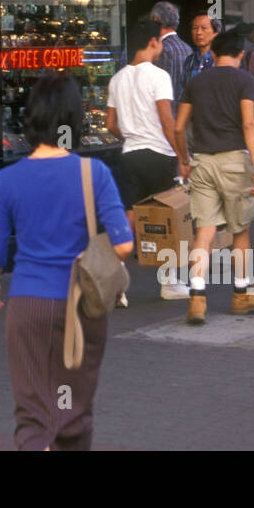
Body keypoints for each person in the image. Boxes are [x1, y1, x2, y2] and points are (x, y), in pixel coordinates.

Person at [0, 71, 134, 450]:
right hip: (81, 307)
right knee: (74, 411)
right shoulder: (93, 172)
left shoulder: (8, 179)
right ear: (74, 118)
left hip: (28, 305)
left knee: (32, 413)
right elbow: (124, 244)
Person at [173, 29, 254, 325]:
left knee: (204, 231)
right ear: (241, 54)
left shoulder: (197, 81)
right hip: (234, 161)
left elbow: (178, 127)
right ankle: (241, 295)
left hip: (201, 162)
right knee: (240, 231)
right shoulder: (245, 81)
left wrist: (183, 160)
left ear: (213, 54)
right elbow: (249, 124)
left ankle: (197, 298)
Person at [105, 18, 190, 300]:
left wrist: (128, 136)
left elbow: (109, 123)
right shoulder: (158, 76)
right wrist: (182, 156)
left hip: (130, 155)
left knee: (129, 219)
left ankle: (116, 283)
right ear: (153, 42)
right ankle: (169, 283)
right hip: (158, 155)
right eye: (159, 45)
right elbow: (168, 122)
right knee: (166, 220)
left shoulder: (117, 78)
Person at [150, 0, 193, 110]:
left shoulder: (161, 49)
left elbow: (157, 89)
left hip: (164, 115)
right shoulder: (188, 48)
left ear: (156, 20)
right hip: (183, 116)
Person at [185, 11, 218, 83]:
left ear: (215, 33)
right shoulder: (189, 61)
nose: (198, 32)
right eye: (195, 28)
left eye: (204, 28)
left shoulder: (221, 60)